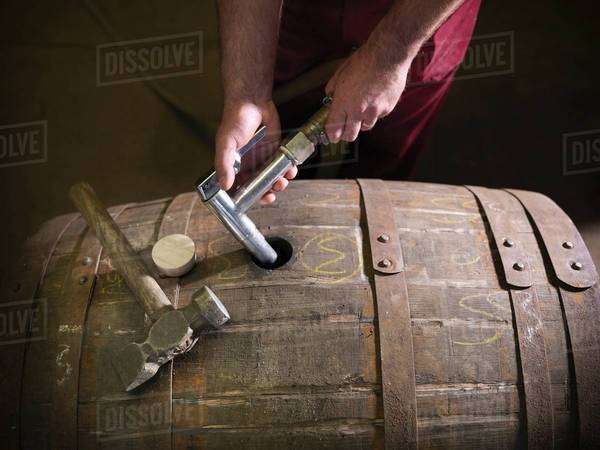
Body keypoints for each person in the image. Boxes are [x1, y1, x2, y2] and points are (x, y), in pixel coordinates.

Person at [214, 0, 481, 204]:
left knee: (388, 145)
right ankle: (292, 199)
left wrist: (390, 54)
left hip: (422, 14)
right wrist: (249, 95)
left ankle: (372, 212)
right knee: (282, 113)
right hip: (306, 11)